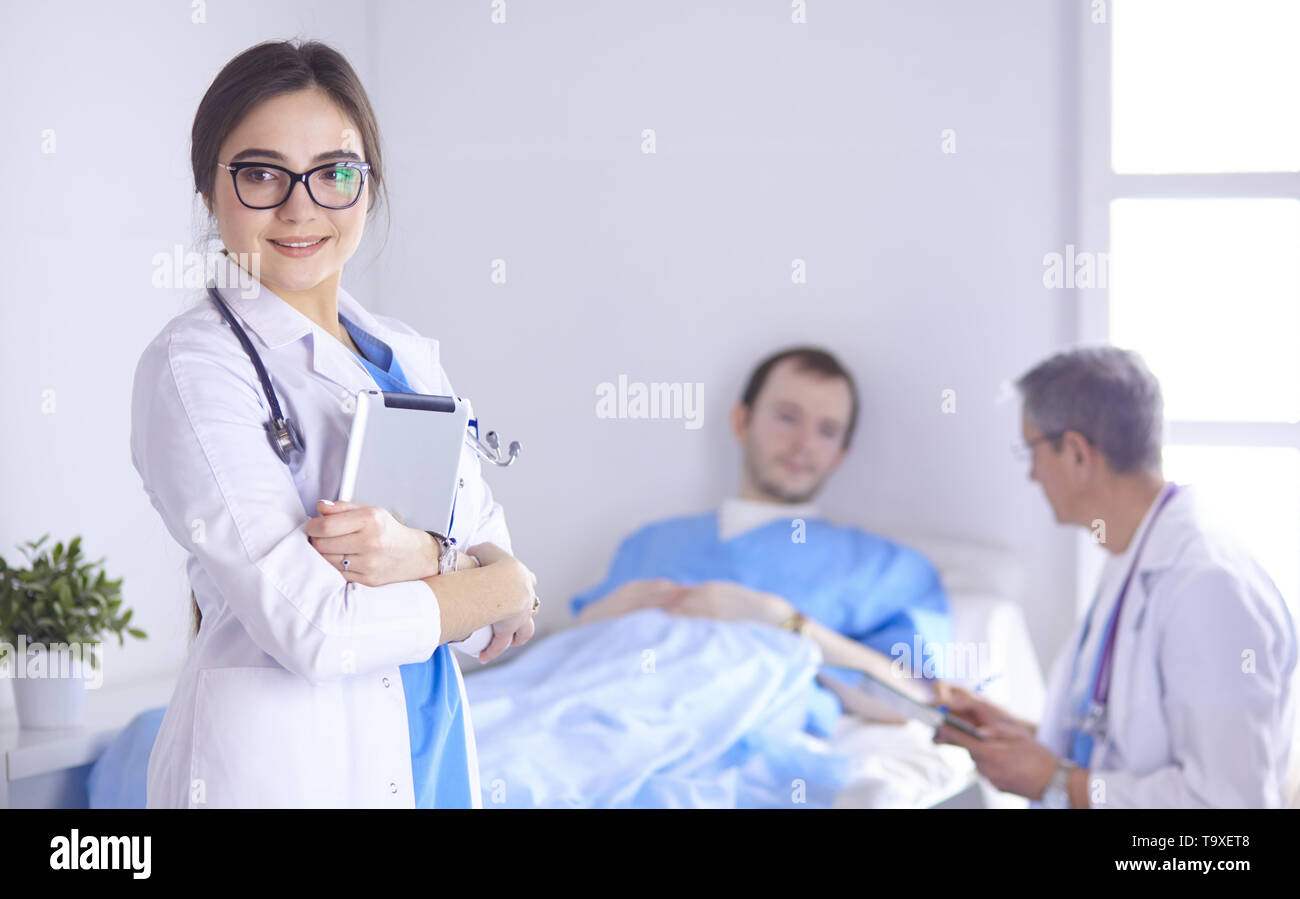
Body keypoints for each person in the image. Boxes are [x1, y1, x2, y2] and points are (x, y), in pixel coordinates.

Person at [130, 40, 537, 809]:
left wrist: (435, 560)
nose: (300, 206)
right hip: (286, 773)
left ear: (367, 184)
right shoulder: (194, 369)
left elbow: (501, 625)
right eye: (260, 173)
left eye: (334, 173)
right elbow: (315, 630)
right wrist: (490, 578)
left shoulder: (408, 355)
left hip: (430, 758)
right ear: (209, 189)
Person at [934, 346, 1297, 808]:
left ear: (1077, 454)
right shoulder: (1132, 551)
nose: (1030, 475)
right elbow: (1115, 744)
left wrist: (1055, 782)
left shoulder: (1209, 588)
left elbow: (1226, 811)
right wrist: (1015, 736)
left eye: (1033, 450)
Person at [570, 347, 952, 735]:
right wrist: (603, 616)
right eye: (787, 417)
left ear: (841, 454)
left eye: (827, 430)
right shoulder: (651, 542)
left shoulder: (885, 567)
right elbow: (553, 661)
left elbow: (918, 703)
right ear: (742, 421)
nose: (804, 443)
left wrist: (782, 622)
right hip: (582, 720)